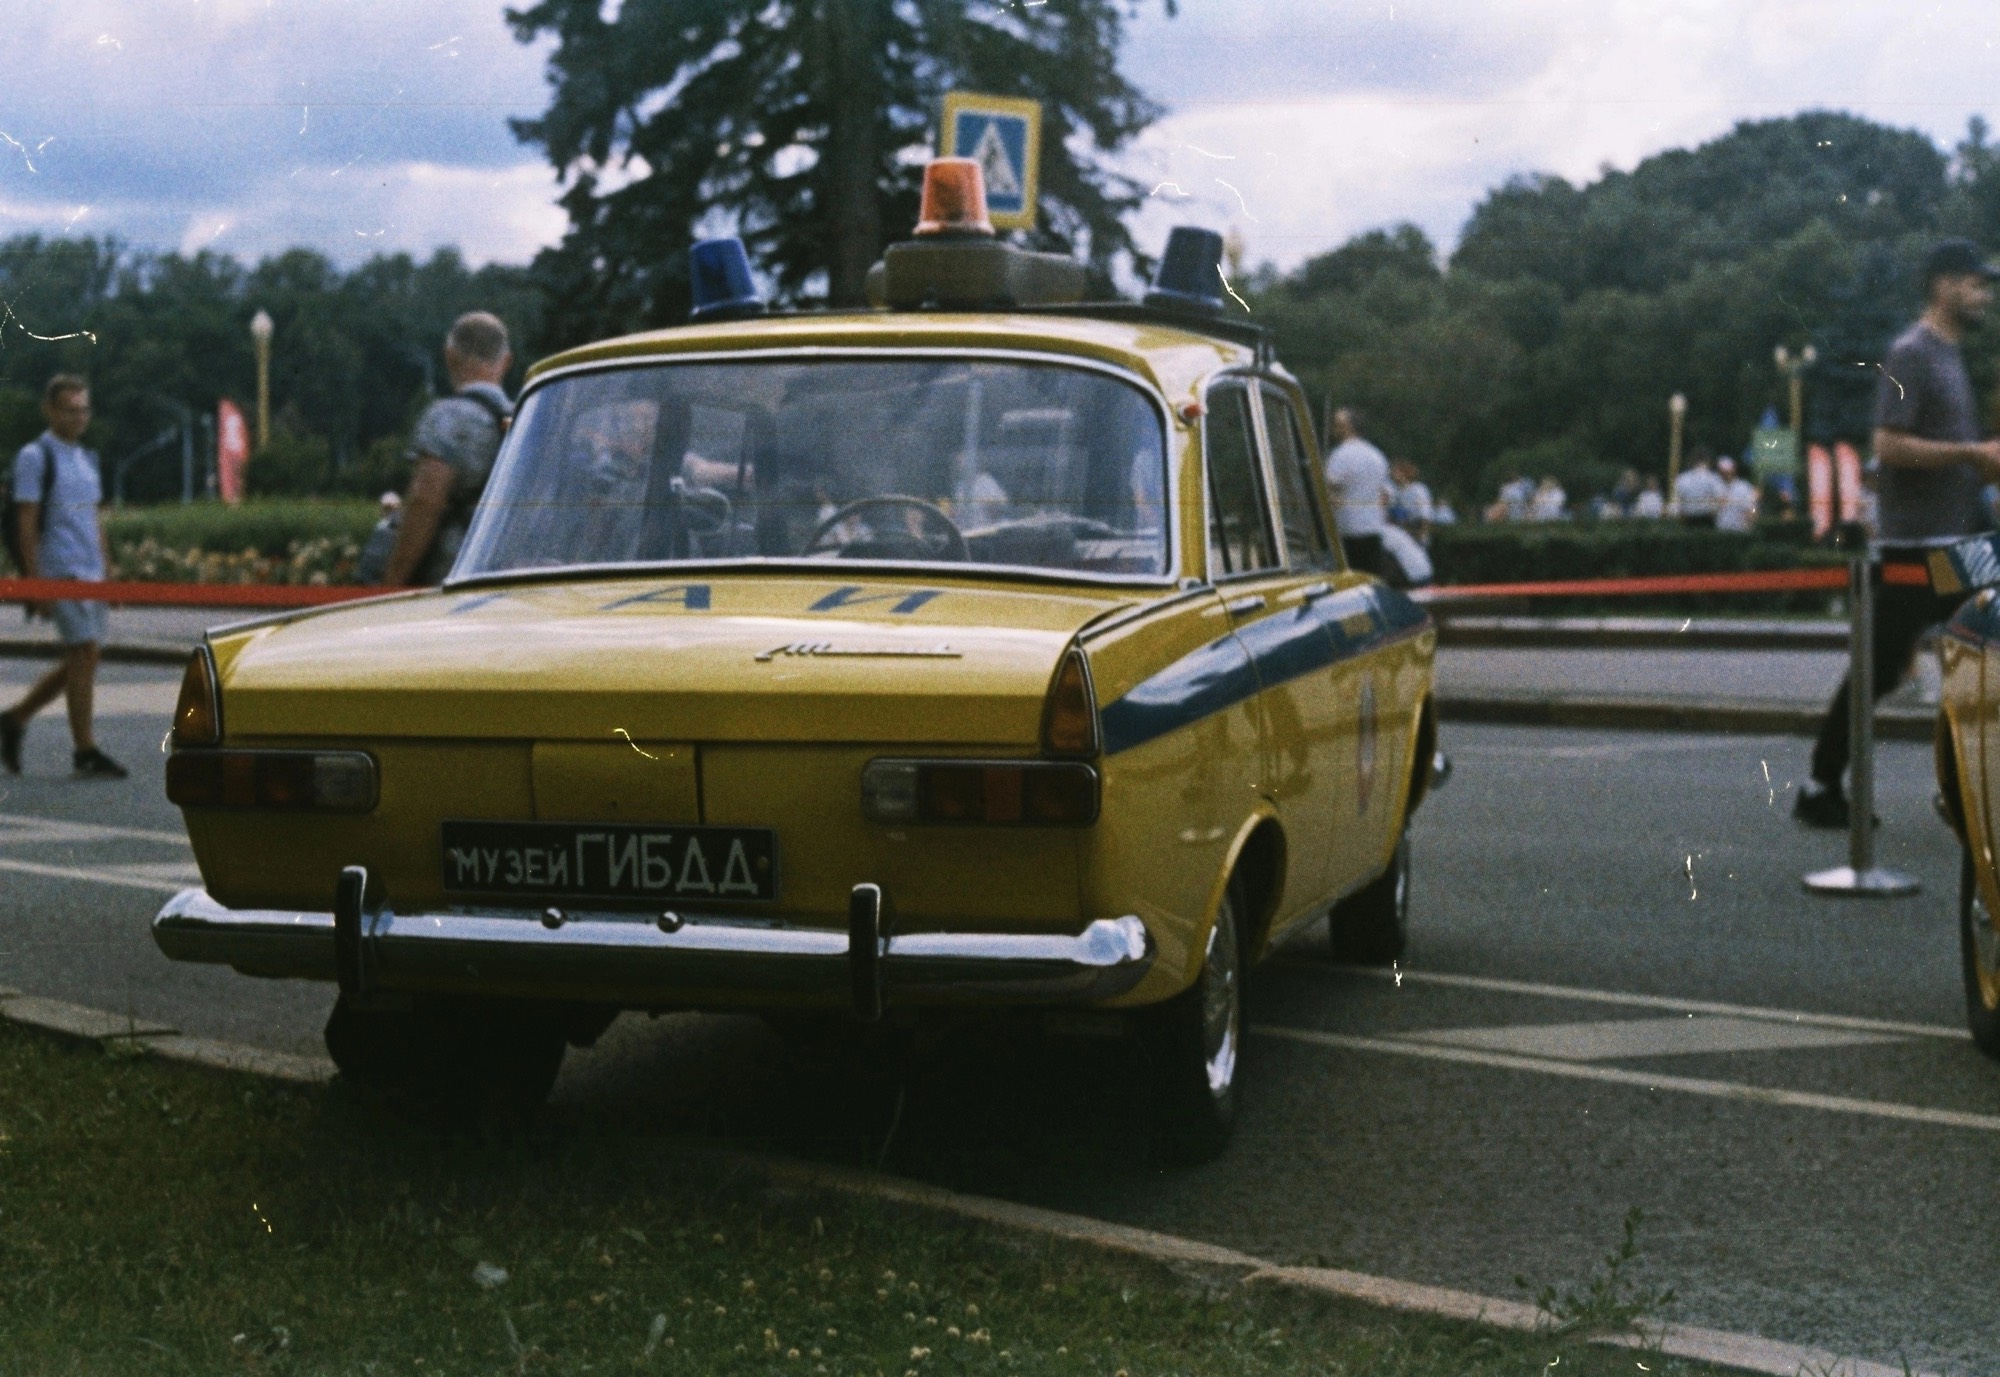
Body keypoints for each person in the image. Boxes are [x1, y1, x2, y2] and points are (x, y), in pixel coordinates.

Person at [1797, 239, 2000, 828]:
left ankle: (1957, 787)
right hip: (1918, 548)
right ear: (1942, 286)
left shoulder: (1947, 355)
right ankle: (1820, 783)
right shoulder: (1911, 353)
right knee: (1883, 668)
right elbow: (1886, 444)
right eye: (1973, 283)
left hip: (1956, 544)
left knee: (1974, 658)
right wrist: (1970, 453)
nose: (1982, 294)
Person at [0, 375, 126, 779]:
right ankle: (84, 749)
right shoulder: (36, 456)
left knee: (84, 657)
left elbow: (94, 519)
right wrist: (36, 583)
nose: (78, 417)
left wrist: (108, 569)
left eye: (83, 409)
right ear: (50, 410)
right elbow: (26, 521)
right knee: (84, 652)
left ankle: (15, 718)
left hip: (90, 572)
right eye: (70, 409)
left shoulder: (85, 459)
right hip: (60, 570)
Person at [380, 312, 515, 586]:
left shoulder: (446, 417)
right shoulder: (525, 422)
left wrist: (392, 581)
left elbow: (426, 498)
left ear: (449, 356)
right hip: (508, 581)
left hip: (450, 582)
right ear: (507, 362)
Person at [1322, 406, 1391, 575]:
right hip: (1374, 530)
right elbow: (1385, 494)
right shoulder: (1377, 455)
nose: (1333, 428)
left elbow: (1326, 490)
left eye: (1337, 424)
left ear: (1348, 427)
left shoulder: (1340, 455)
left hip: (1349, 533)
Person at [1673, 445, 1725, 526]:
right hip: (1708, 519)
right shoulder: (1714, 478)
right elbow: (1719, 499)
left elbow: (1678, 500)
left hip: (1688, 519)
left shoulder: (1682, 478)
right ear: (1708, 461)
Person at [1388, 458, 1433, 544]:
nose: (1391, 473)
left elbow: (1425, 516)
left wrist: (1421, 535)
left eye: (1394, 471)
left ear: (1403, 473)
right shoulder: (1396, 492)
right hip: (1403, 534)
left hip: (1417, 533)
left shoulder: (1418, 489)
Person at [1715, 456, 1760, 532]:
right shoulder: (1716, 486)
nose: (1726, 473)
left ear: (1734, 470)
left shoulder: (1744, 487)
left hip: (1740, 531)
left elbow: (1752, 509)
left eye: (1728, 471)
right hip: (1720, 531)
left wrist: (1748, 524)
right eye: (1723, 471)